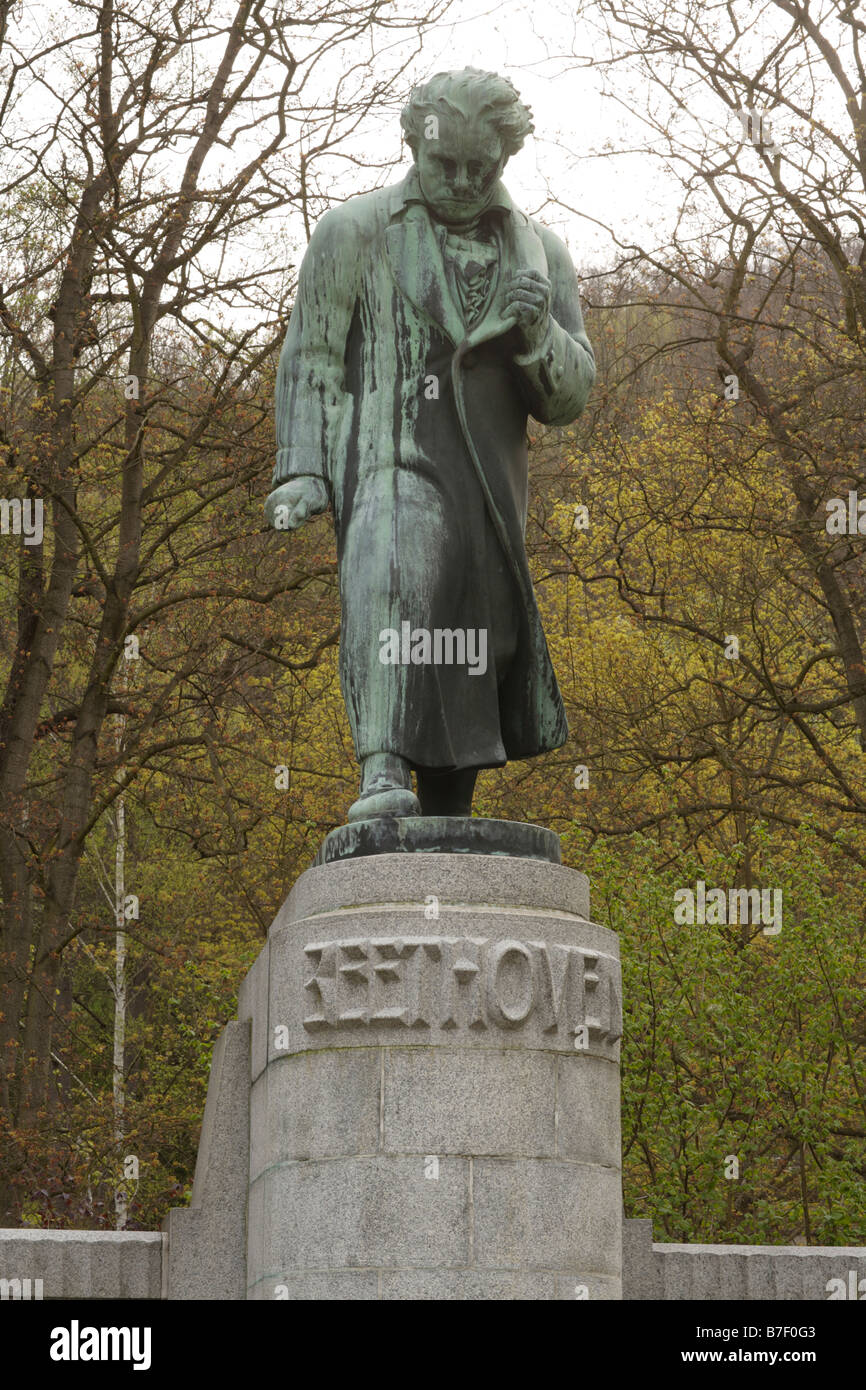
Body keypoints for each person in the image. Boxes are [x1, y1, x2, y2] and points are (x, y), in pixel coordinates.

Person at [265, 68, 595, 821]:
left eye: (482, 167)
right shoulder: (354, 230)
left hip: (486, 481)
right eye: (445, 163)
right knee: (392, 569)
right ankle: (380, 770)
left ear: (505, 158)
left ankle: (446, 815)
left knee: (475, 635)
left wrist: (538, 331)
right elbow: (312, 354)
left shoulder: (539, 251)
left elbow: (570, 399)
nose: (462, 180)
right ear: (414, 140)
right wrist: (304, 470)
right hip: (386, 455)